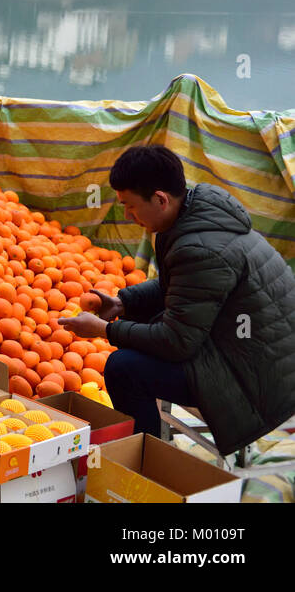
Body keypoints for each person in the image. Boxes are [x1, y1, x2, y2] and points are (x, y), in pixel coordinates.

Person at [59, 144, 295, 457]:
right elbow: (183, 287)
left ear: (160, 199)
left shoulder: (201, 249)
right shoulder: (196, 213)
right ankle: (151, 448)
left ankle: (147, 464)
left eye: (130, 206)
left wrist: (105, 331)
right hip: (253, 349)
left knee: (123, 367)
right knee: (142, 328)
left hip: (260, 379)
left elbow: (176, 341)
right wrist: (122, 304)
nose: (128, 216)